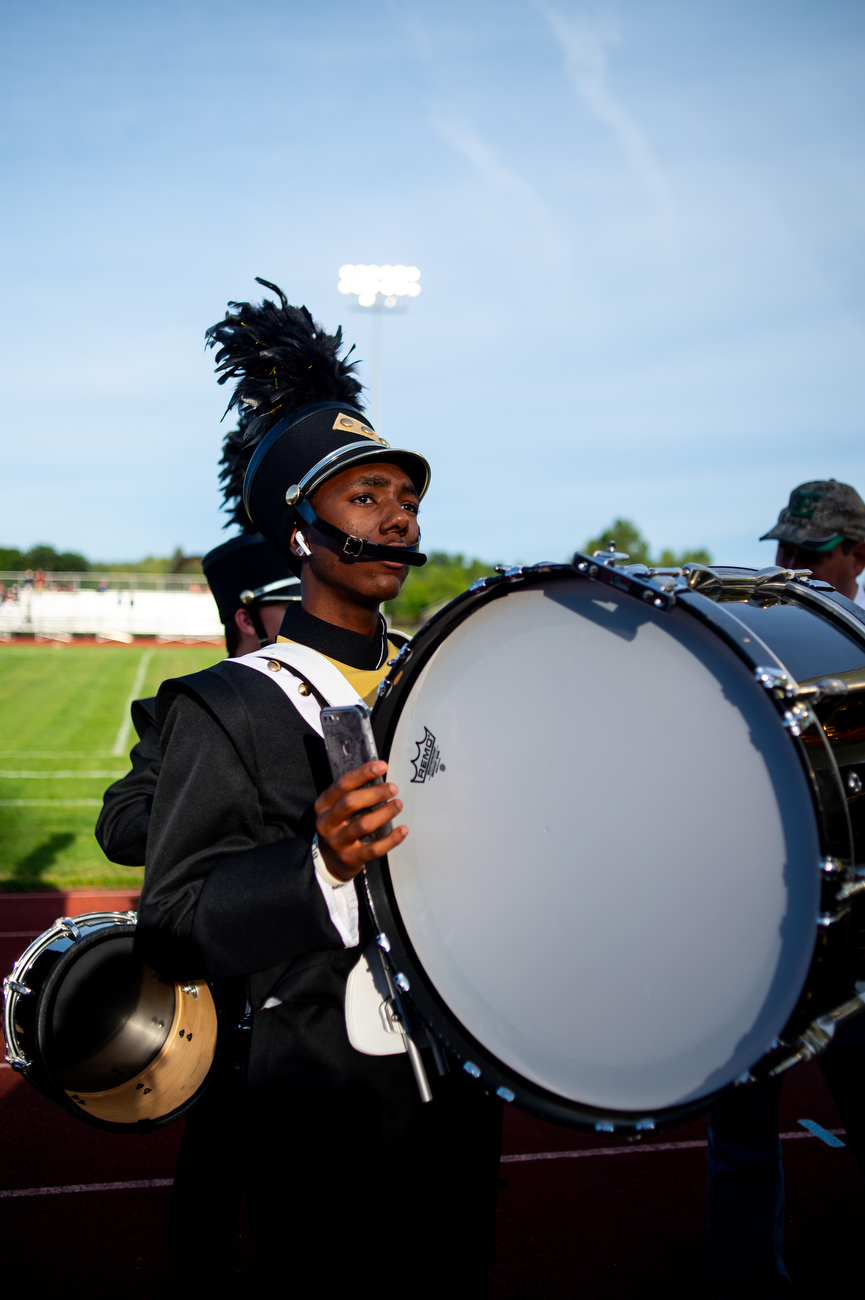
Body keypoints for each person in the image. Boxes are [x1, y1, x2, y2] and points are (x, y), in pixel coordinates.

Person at [136, 279, 501, 1295]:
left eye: (405, 498)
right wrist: (321, 861)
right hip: (320, 1094)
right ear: (298, 530)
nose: (396, 518)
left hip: (463, 1069)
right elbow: (173, 920)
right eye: (364, 497)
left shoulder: (450, 674)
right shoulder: (228, 703)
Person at [707, 478, 865, 1298]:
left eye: (810, 552)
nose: (788, 566)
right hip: (756, 927)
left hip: (852, 934)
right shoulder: (749, 642)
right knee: (739, 1130)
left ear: (857, 557)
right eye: (782, 549)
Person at [761, 478, 865, 607]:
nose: (791, 570)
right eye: (786, 553)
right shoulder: (753, 620)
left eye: (811, 557)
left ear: (858, 558)